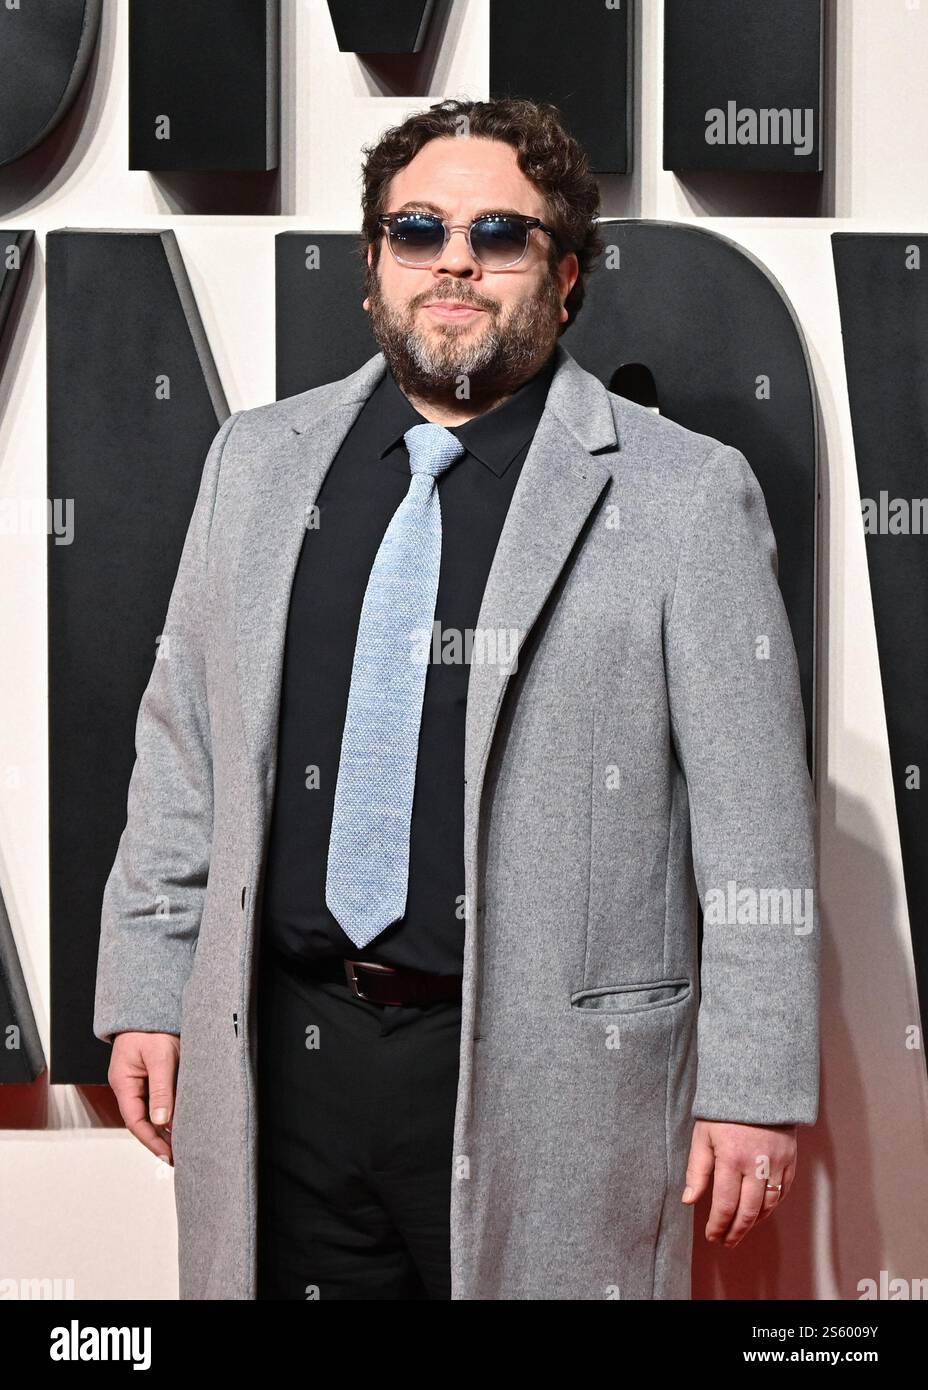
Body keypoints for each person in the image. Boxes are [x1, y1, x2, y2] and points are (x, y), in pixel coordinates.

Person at [94, 97, 819, 1301]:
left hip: (551, 1078)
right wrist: (145, 989)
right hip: (286, 1059)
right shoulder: (259, 464)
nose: (456, 261)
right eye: (418, 228)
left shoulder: (686, 495)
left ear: (565, 272)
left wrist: (751, 1084)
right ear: (374, 259)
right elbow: (184, 751)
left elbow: (754, 819)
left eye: (501, 234)